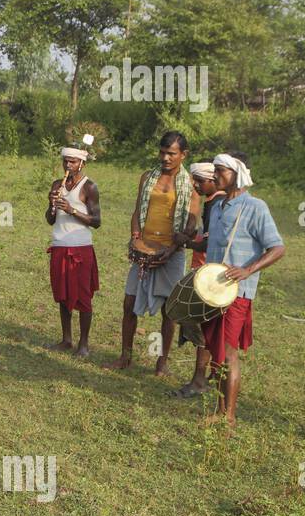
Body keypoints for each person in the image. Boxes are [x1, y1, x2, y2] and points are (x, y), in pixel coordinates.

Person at [200, 152, 285, 430]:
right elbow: (211, 244)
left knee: (228, 350)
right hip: (212, 289)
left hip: (237, 292)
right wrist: (188, 243)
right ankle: (221, 408)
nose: (215, 176)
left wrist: (248, 270)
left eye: (221, 171)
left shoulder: (256, 207)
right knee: (216, 348)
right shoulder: (216, 207)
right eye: (214, 171)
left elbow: (277, 247)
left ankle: (230, 416)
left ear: (237, 173)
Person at [106, 131, 200, 375]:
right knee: (128, 303)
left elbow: (191, 224)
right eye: (162, 152)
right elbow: (138, 211)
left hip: (172, 254)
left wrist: (172, 248)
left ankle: (162, 362)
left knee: (169, 310)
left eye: (172, 154)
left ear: (183, 155)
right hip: (144, 251)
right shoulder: (148, 177)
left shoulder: (191, 184)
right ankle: (125, 356)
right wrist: (135, 239)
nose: (166, 158)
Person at [173, 160, 224, 398]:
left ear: (214, 180)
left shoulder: (217, 204)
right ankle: (211, 374)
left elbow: (208, 242)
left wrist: (185, 241)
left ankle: (199, 379)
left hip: (207, 271)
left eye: (200, 181)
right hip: (204, 267)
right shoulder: (212, 202)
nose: (196, 185)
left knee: (201, 327)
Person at [45, 146, 101, 356]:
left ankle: (84, 344)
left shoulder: (90, 187)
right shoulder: (57, 185)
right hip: (59, 244)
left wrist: (72, 210)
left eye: (73, 162)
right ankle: (66, 339)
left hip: (80, 247)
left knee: (83, 297)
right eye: (66, 161)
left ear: (82, 164)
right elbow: (50, 219)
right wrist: (52, 204)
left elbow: (96, 221)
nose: (68, 165)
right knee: (62, 295)